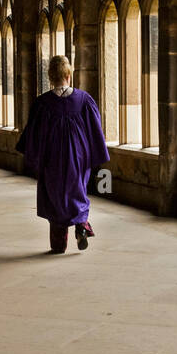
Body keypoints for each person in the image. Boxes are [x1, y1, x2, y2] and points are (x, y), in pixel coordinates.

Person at [15, 55, 110, 254]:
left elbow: (33, 133)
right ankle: (82, 226)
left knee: (54, 197)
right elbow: (95, 129)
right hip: (78, 157)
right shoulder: (84, 100)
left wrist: (33, 158)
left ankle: (59, 244)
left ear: (50, 76)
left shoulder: (42, 103)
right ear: (69, 75)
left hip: (52, 159)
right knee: (78, 192)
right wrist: (95, 156)